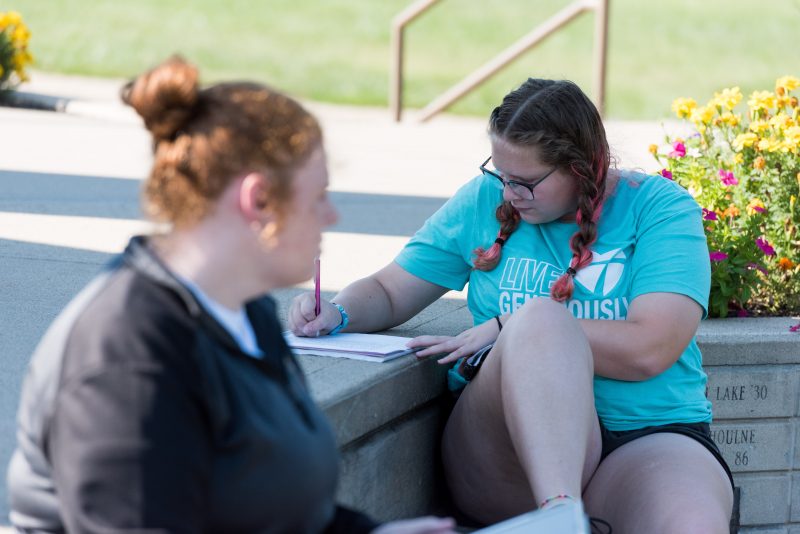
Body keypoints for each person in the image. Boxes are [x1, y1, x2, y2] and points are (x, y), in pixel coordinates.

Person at [7, 56, 455, 534]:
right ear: (257, 200)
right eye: (318, 197)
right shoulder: (126, 353)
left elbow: (276, 506)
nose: (331, 217)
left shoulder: (246, 313)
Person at [289, 78, 735, 533]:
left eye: (524, 183)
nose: (508, 194)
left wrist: (509, 324)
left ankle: (562, 518)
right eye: (500, 175)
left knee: (692, 525)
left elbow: (651, 348)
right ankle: (558, 517)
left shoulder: (660, 208)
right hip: (506, 447)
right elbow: (388, 290)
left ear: (582, 168)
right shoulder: (484, 200)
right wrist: (338, 312)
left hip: (647, 435)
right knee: (542, 319)